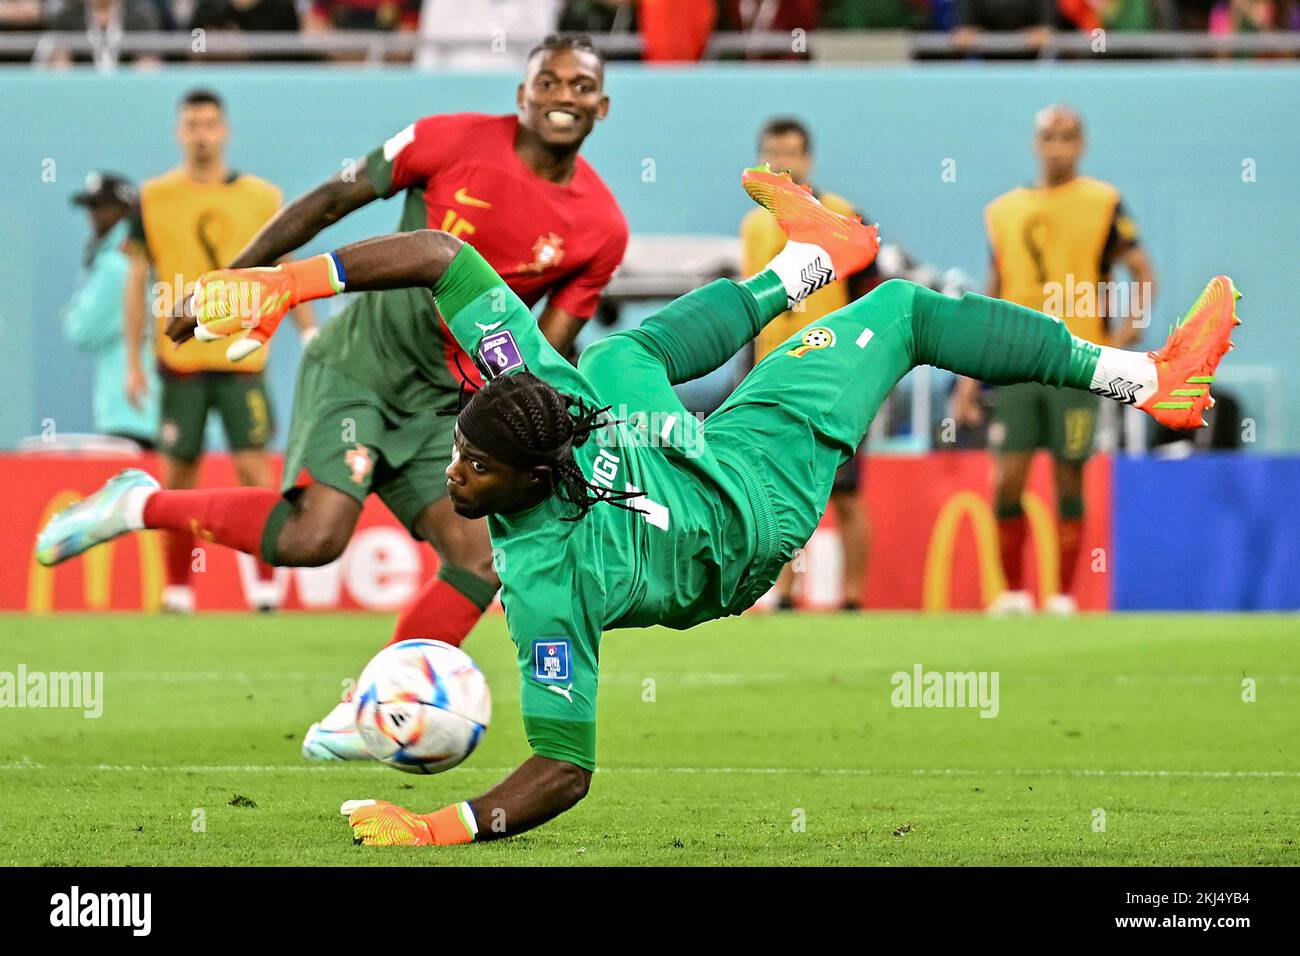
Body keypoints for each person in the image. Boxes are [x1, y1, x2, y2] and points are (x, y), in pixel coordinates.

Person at [37, 168, 1240, 844]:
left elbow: (561, 764)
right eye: (459, 461)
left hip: (741, 482)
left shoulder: (547, 537)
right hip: (714, 488)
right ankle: (806, 267)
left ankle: (1148, 380)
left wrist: (445, 824)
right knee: (616, 366)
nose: (450, 479)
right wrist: (277, 287)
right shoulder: (541, 472)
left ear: (520, 473)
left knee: (902, 315)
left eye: (464, 472)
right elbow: (440, 263)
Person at [74, 36, 625, 759]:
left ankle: (366, 707)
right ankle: (137, 504)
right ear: (522, 94)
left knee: (478, 559)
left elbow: (540, 359)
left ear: (601, 106)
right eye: (547, 81)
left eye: (580, 86)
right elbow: (334, 197)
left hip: (444, 402)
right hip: (359, 365)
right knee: (315, 538)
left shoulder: (601, 227)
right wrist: (237, 280)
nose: (563, 96)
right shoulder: (445, 140)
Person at [949, 105, 1157, 616]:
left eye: (1067, 137)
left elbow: (1140, 270)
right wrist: (969, 380)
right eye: (1049, 137)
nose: (1058, 147)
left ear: (1081, 144)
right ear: (1036, 143)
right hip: (1015, 359)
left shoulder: (1102, 202)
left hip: (1077, 359)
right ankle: (1015, 594)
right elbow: (992, 291)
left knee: (1070, 473)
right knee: (1008, 477)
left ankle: (1063, 595)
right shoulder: (1004, 210)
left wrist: (1127, 332)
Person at [122, 88, 317, 614]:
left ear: (224, 130)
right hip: (180, 360)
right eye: (192, 124)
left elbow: (285, 268)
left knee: (255, 473)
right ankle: (178, 590)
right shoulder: (153, 197)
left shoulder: (261, 196)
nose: (202, 134)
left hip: (240, 360)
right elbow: (138, 278)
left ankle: (265, 588)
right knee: (178, 477)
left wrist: (308, 333)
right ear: (178, 131)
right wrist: (132, 360)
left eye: (210, 124)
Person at [740, 116, 876, 610]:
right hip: (770, 372)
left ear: (808, 160)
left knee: (845, 492)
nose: (782, 163)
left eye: (791, 153)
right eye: (772, 152)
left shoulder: (843, 216)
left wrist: (866, 366)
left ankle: (855, 596)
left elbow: (872, 299)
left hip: (832, 374)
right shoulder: (754, 226)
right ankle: (786, 591)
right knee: (777, 489)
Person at [61, 171, 158, 448]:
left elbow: (80, 330)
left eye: (102, 207)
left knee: (129, 489)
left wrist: (71, 312)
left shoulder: (114, 266)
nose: (93, 215)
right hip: (160, 408)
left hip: (128, 411)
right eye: (90, 207)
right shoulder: (148, 257)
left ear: (125, 211)